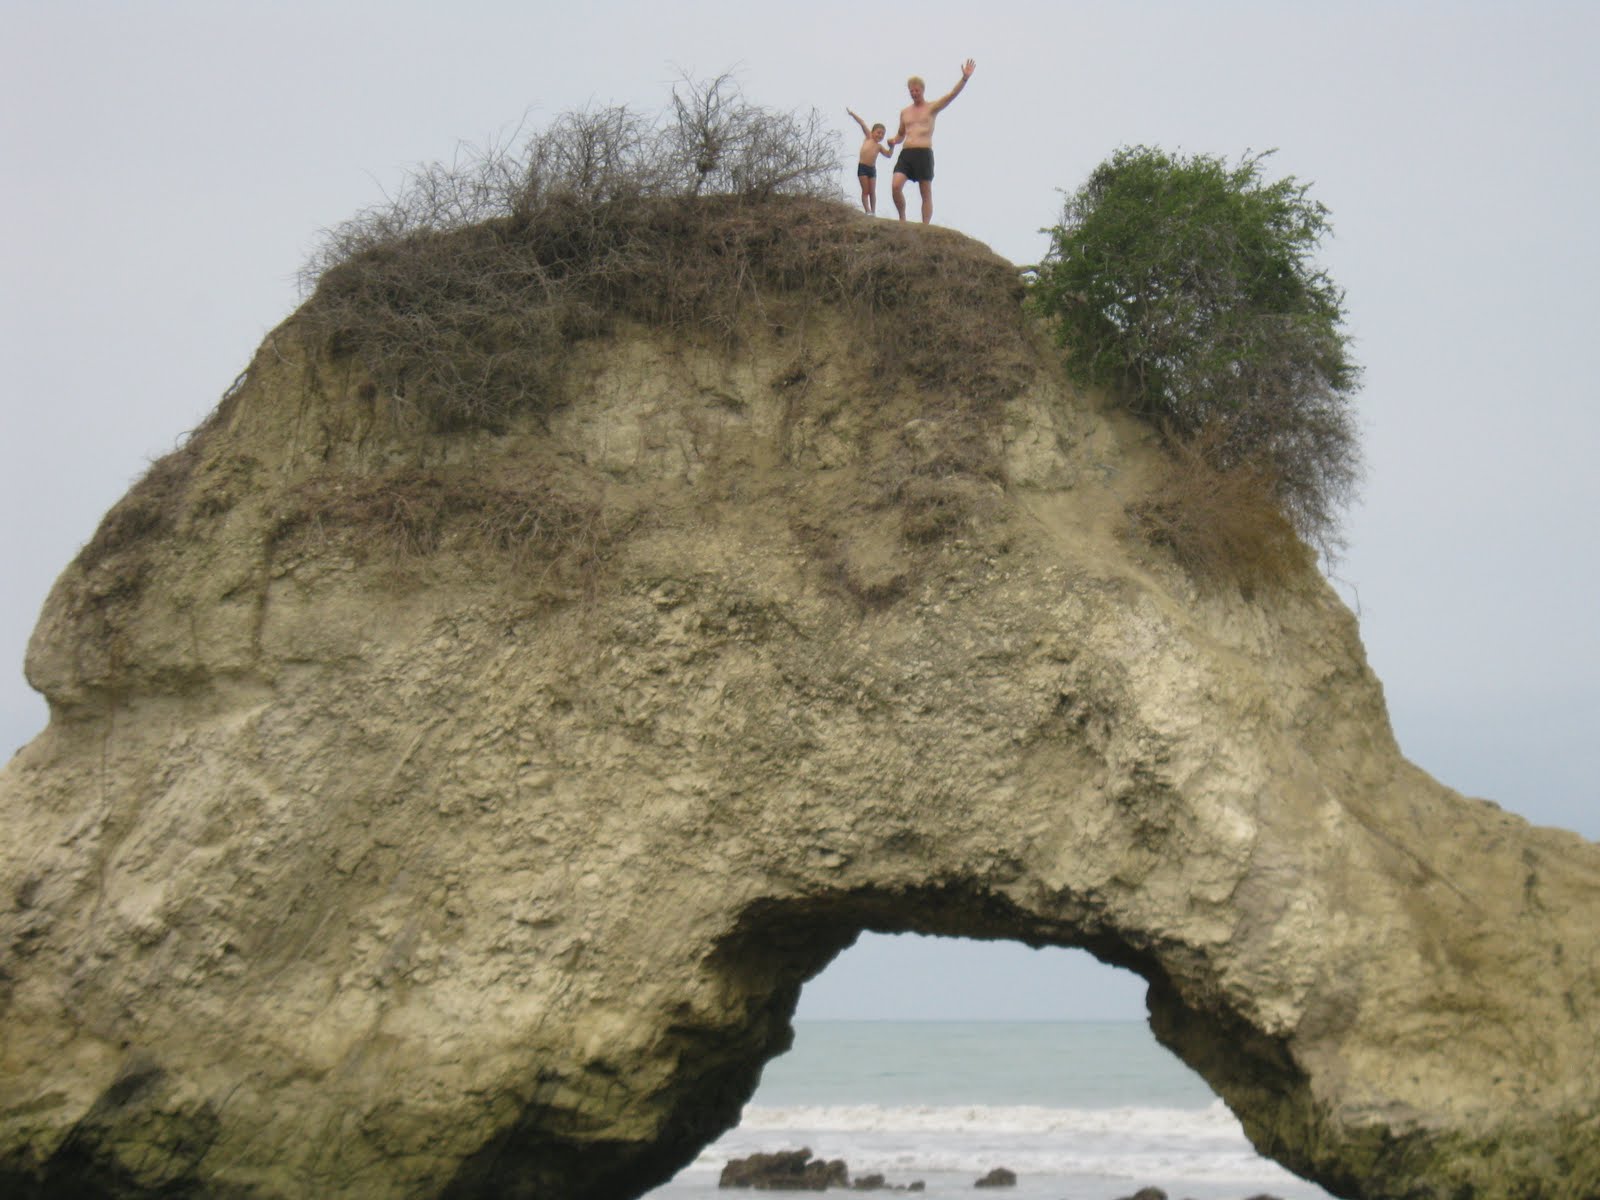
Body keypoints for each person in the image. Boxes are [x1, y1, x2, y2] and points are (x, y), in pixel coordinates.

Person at [889, 59, 976, 224]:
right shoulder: (905, 112)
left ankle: (925, 225)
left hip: (923, 152)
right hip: (907, 152)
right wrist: (894, 141)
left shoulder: (931, 108)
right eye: (911, 91)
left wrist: (964, 79)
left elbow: (951, 96)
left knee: (925, 192)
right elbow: (901, 134)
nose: (914, 93)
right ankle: (902, 218)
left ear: (922, 90)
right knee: (895, 185)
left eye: (916, 90)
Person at [846, 108, 894, 214]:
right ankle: (867, 210)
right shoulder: (868, 138)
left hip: (872, 169)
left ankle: (873, 211)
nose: (880, 135)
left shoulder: (879, 146)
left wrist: (892, 147)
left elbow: (888, 155)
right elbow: (862, 123)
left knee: (872, 192)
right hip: (862, 167)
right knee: (865, 191)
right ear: (872, 132)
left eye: (882, 134)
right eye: (878, 133)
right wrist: (852, 114)